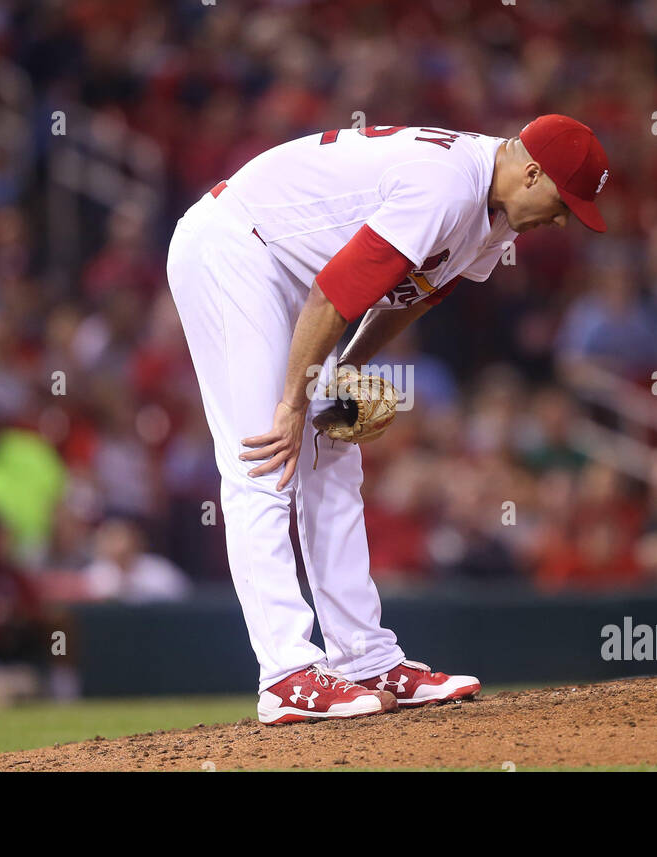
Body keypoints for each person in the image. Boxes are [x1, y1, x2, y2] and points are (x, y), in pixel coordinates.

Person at [166, 116, 610, 724]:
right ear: (532, 171)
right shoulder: (449, 186)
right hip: (236, 245)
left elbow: (417, 293)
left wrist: (344, 371)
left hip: (290, 266)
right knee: (266, 451)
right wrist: (295, 402)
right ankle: (287, 674)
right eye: (563, 203)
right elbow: (333, 294)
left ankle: (363, 658)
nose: (561, 221)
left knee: (333, 455)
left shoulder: (496, 212)